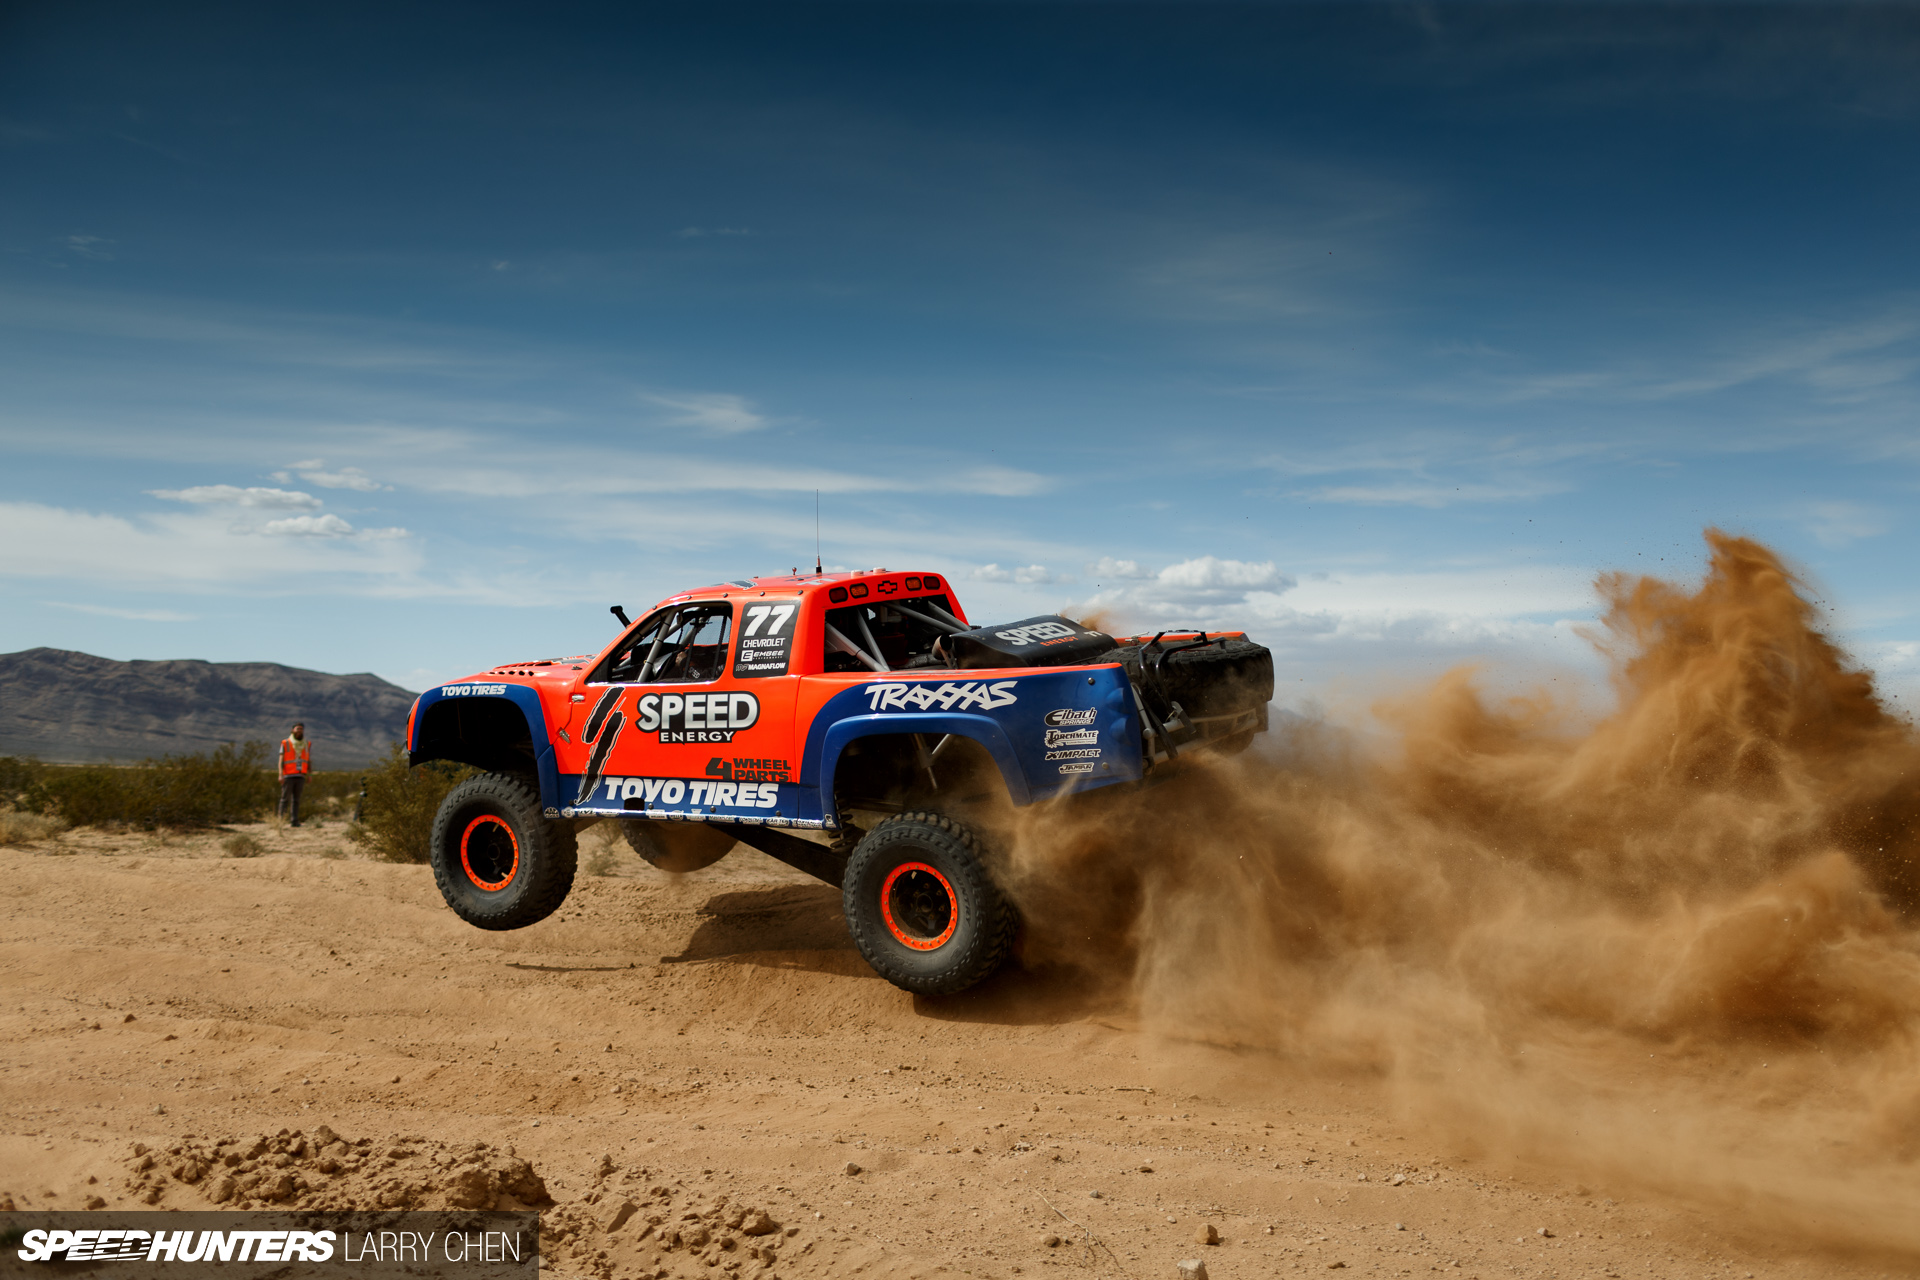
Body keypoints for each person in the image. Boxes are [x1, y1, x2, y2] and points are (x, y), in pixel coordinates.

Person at [278, 722, 313, 826]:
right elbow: (281, 760)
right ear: (292, 730)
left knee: (296, 800)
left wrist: (310, 774)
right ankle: (280, 821)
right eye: (297, 729)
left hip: (301, 775)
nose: (299, 731)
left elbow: (308, 760)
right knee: (285, 799)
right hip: (288, 775)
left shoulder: (307, 744)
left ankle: (295, 821)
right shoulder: (285, 743)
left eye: (301, 729)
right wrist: (280, 774)